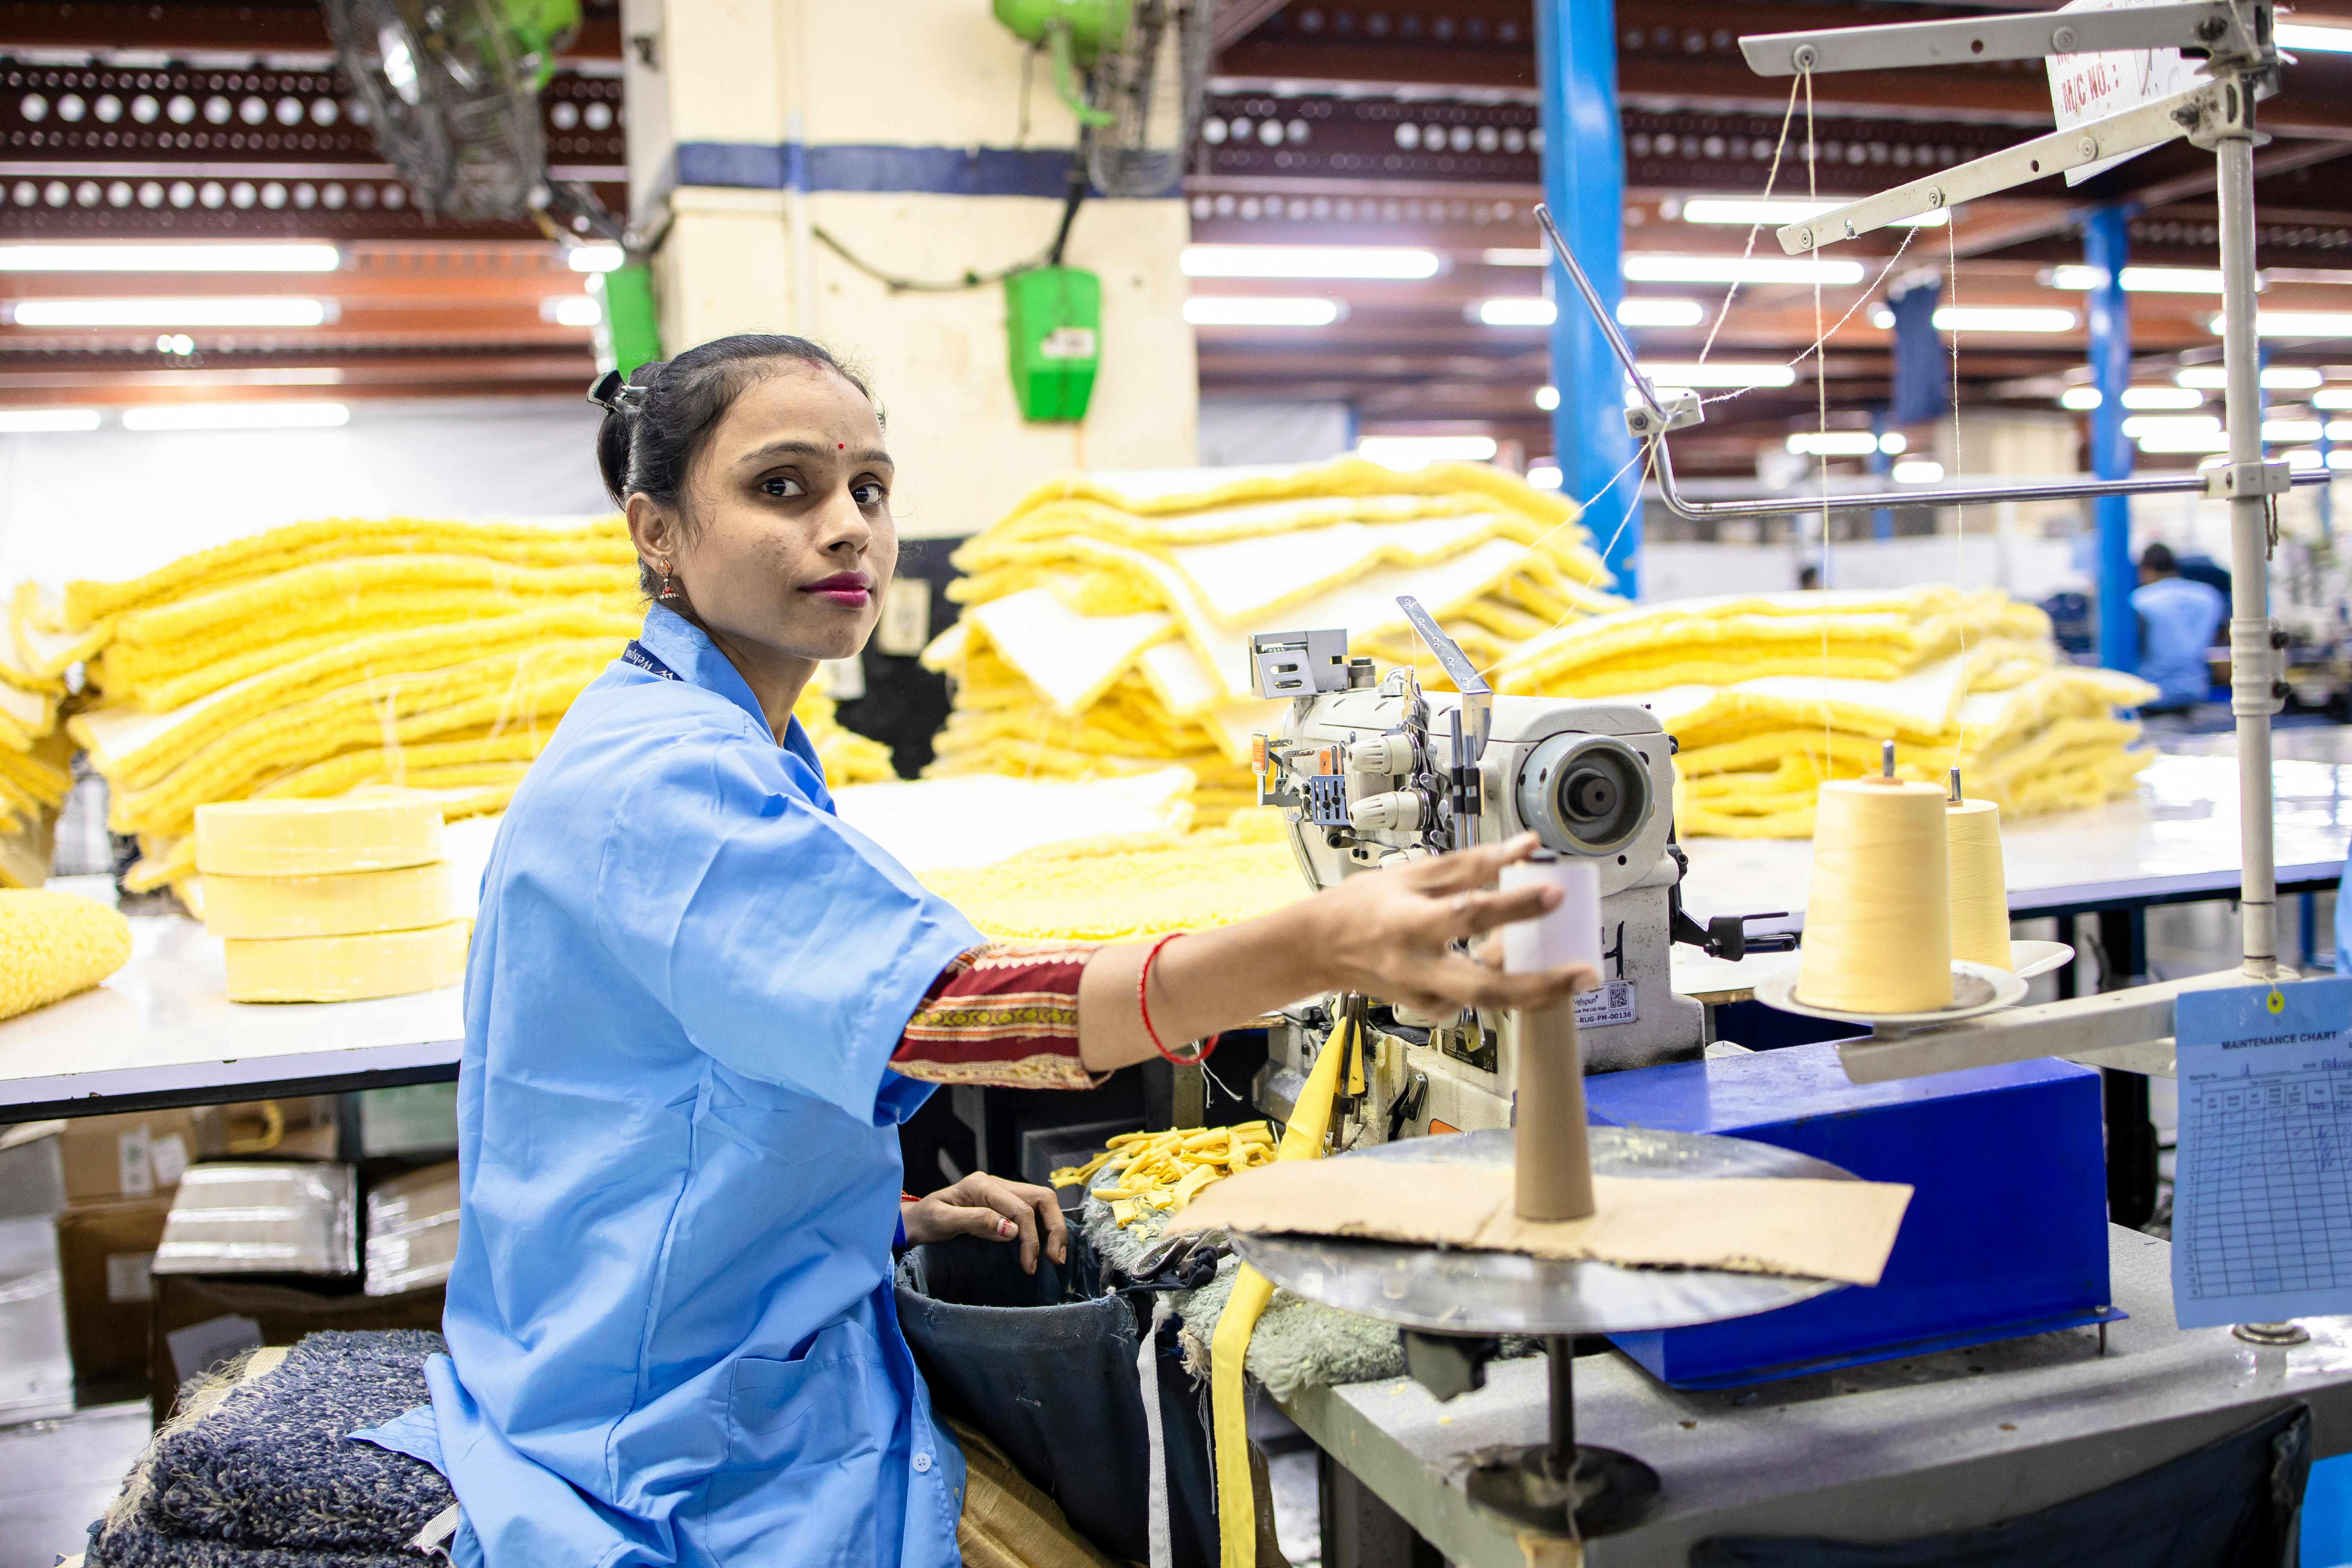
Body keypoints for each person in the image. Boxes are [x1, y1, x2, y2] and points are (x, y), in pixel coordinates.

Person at [357, 334, 1596, 1568]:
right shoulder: (666, 782)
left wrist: (876, 1215)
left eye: (869, 490)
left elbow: (667, 1109)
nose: (846, 529)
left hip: (667, 1326)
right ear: (657, 531)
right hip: (679, 1434)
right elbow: (956, 1012)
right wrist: (1316, 945)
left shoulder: (715, 736)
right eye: (782, 488)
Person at [2132, 541, 2227, 714]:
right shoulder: (2208, 596)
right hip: (2196, 691)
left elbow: (2133, 644)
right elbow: (2219, 634)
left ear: (2146, 570)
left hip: (2152, 695)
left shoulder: (2140, 600)